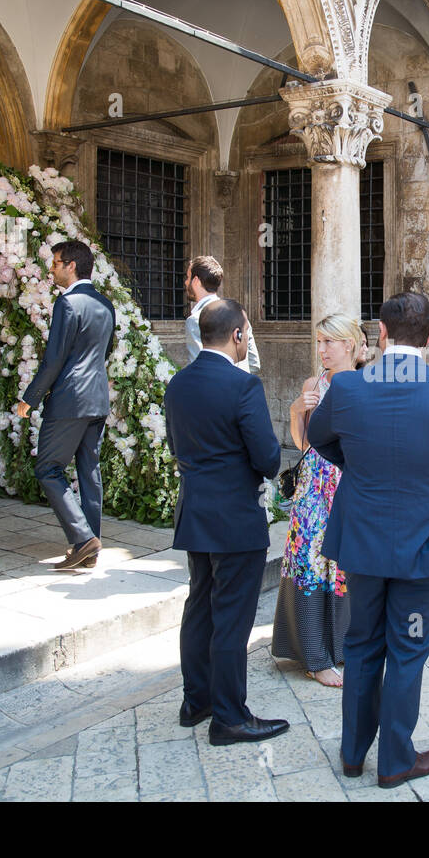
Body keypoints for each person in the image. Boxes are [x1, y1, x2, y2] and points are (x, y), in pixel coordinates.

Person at [308, 292, 429, 788]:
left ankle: (353, 753)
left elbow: (321, 438)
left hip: (363, 539)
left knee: (362, 641)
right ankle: (395, 760)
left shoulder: (347, 388)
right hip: (424, 543)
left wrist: (363, 471)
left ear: (381, 334)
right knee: (408, 646)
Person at [166, 297, 288, 744]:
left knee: (199, 607)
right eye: (247, 333)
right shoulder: (244, 387)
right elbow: (269, 459)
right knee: (232, 618)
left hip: (195, 511)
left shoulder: (178, 383)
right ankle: (230, 718)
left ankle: (196, 701)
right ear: (238, 335)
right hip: (236, 517)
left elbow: (176, 446)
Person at [272, 314, 368, 687]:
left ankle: (342, 646)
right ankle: (314, 656)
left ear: (349, 345)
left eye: (329, 342)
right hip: (314, 484)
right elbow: (303, 444)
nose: (322, 350)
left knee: (343, 563)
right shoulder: (314, 383)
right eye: (319, 342)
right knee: (310, 560)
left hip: (349, 480)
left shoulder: (364, 384)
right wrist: (297, 409)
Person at [15, 240, 116, 571]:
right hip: (98, 398)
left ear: (72, 265)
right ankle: (90, 546)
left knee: (47, 468)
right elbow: (106, 352)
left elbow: (54, 359)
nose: (52, 269)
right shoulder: (105, 304)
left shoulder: (68, 304)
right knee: (89, 471)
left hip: (70, 400)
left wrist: (28, 399)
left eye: (56, 263)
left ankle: (82, 538)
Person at [183, 255, 260, 373]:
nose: (185, 282)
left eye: (188, 277)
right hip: (242, 388)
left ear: (196, 281)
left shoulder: (195, 320)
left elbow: (199, 371)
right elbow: (254, 363)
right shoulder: (239, 315)